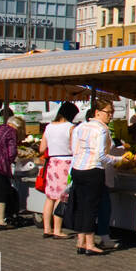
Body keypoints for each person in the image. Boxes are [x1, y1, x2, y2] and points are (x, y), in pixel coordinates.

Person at [70, 99, 123, 255]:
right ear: (97, 112)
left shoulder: (80, 127)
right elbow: (101, 156)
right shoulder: (102, 130)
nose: (110, 116)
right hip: (93, 170)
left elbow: (74, 149)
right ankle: (90, 244)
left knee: (81, 206)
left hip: (78, 168)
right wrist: (119, 160)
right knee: (91, 207)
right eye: (108, 112)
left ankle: (81, 242)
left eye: (112, 112)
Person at [39, 102, 79, 240]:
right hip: (66, 163)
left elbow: (42, 148)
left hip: (52, 162)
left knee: (50, 197)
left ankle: (47, 228)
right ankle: (57, 229)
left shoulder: (49, 127)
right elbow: (75, 148)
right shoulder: (71, 128)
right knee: (61, 197)